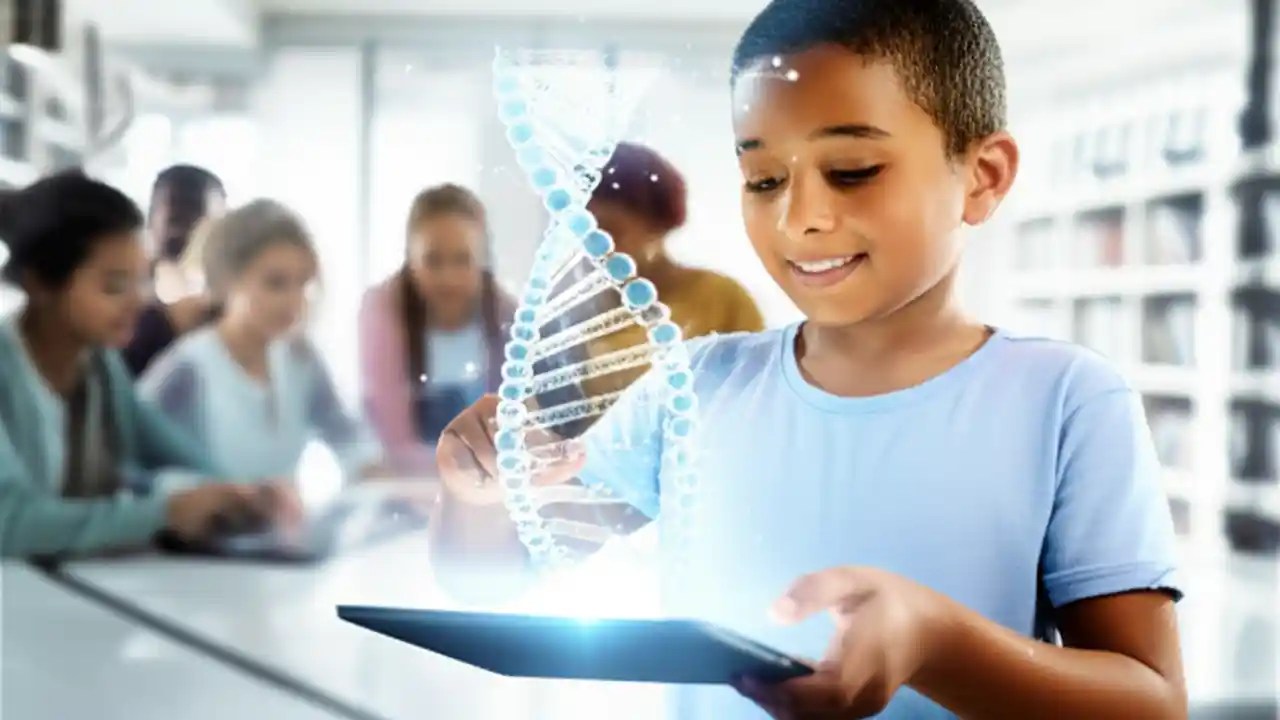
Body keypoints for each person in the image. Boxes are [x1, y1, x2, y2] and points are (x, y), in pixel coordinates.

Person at [428, 1, 1187, 719]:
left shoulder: (1066, 401)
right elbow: (489, 577)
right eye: (763, 180)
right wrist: (477, 492)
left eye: (852, 170)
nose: (800, 218)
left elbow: (1150, 701)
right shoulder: (695, 386)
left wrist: (936, 641)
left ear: (982, 177)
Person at [0, 171, 290, 558]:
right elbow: (11, 522)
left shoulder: (99, 365)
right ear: (40, 285)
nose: (139, 301)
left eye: (143, 280)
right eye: (114, 286)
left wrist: (242, 493)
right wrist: (164, 513)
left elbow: (164, 445)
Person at [140, 200, 383, 485]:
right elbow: (143, 474)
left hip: (282, 528)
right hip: (212, 528)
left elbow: (348, 439)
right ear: (230, 280)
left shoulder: (300, 358)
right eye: (276, 283)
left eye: (302, 283)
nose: (294, 300)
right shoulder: (187, 371)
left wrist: (398, 489)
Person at [358, 185, 514, 476]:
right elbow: (394, 438)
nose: (448, 278)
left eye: (462, 260)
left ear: (482, 259)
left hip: (484, 481)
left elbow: (512, 424)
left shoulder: (508, 316)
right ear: (410, 258)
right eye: (433, 260)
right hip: (405, 482)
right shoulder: (381, 311)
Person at [590, 142, 764, 338]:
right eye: (582, 233)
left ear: (657, 225)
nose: (593, 246)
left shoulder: (721, 302)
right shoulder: (572, 312)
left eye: (610, 230)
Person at [123, 164, 227, 376]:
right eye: (174, 219)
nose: (183, 230)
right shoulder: (120, 296)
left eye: (198, 218)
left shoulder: (235, 306)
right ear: (151, 218)